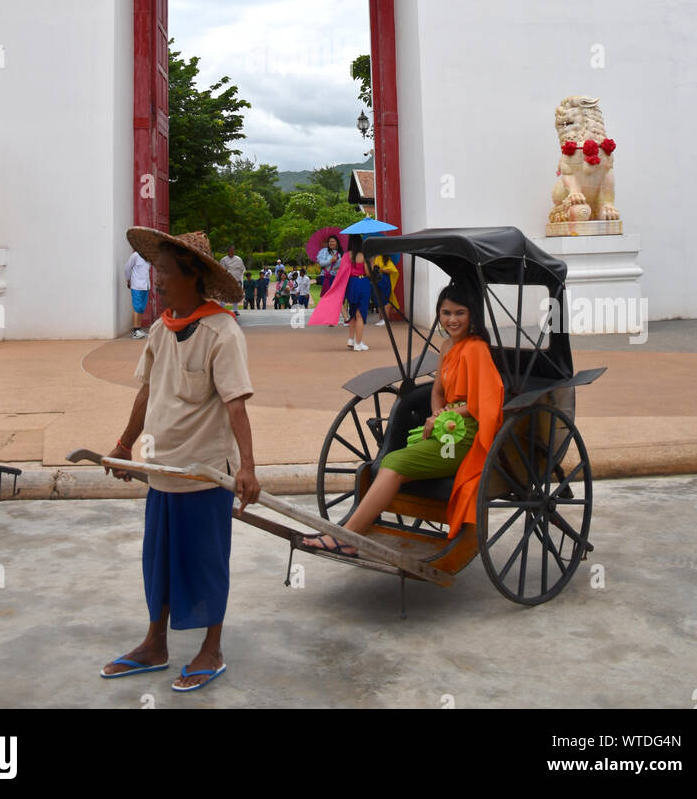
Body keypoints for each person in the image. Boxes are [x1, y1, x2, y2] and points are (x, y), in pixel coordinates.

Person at [101, 229, 259, 693]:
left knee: (206, 561)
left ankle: (212, 648)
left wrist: (247, 467)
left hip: (205, 473)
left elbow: (236, 405)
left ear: (192, 276)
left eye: (166, 272)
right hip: (163, 470)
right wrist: (125, 444)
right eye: (156, 271)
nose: (158, 281)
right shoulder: (159, 328)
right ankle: (155, 643)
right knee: (160, 561)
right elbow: (147, 391)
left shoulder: (221, 332)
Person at [302, 282, 504, 556]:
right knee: (390, 461)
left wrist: (450, 415)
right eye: (446, 313)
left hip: (464, 432)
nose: (452, 320)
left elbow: (486, 401)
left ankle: (348, 538)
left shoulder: (477, 349)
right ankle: (353, 529)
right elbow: (437, 391)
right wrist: (436, 413)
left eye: (460, 313)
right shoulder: (447, 346)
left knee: (394, 464)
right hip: (444, 426)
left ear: (472, 316)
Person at [344, 245, 371, 351]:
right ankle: (358, 343)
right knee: (360, 314)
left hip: (351, 283)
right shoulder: (364, 255)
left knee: (353, 313)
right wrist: (371, 262)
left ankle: (351, 339)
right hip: (362, 282)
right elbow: (368, 272)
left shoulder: (347, 255)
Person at [124, 245, 152, 339]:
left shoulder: (148, 257)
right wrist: (128, 280)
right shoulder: (135, 255)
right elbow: (127, 267)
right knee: (137, 307)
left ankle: (139, 329)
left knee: (141, 308)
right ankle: (135, 331)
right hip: (136, 285)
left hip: (146, 286)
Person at [220, 244, 245, 319]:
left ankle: (235, 310)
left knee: (235, 295)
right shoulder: (223, 260)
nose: (232, 251)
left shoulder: (238, 259)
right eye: (230, 250)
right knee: (224, 294)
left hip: (236, 279)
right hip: (227, 280)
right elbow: (221, 270)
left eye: (233, 250)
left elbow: (242, 270)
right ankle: (222, 308)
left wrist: (240, 280)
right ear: (228, 251)